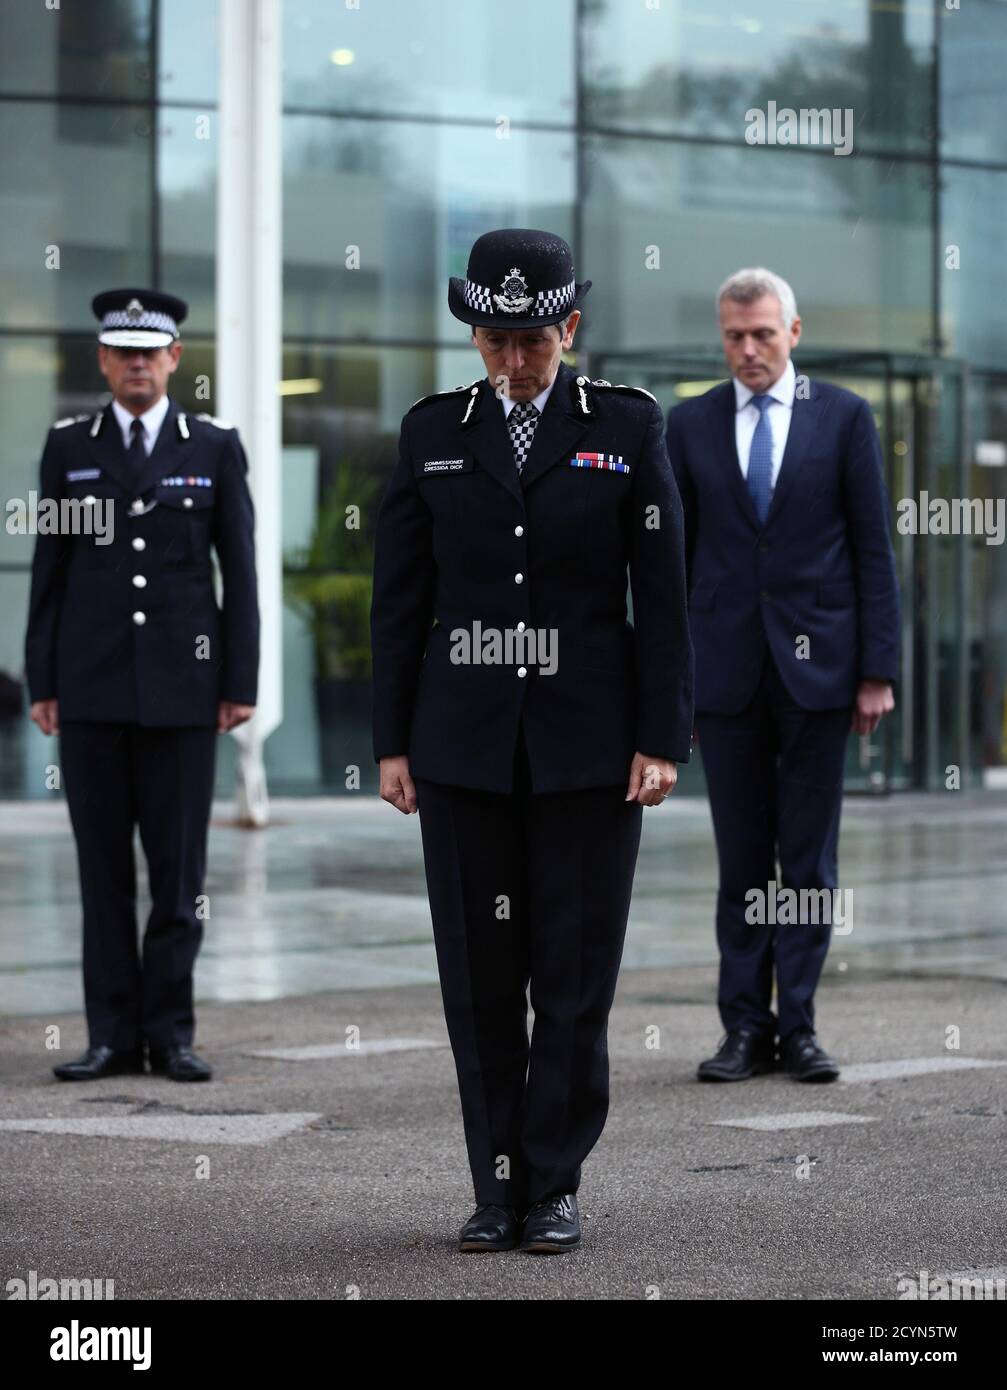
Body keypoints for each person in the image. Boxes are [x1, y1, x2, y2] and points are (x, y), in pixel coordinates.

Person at [370, 229, 693, 1253]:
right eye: (495, 340)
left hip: (587, 749)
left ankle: (551, 1183)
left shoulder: (629, 429)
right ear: (473, 332)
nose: (513, 363)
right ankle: (494, 1183)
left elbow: (664, 597)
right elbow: (397, 603)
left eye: (532, 342)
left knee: (571, 972)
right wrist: (390, 743)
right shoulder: (430, 432)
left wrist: (659, 737)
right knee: (478, 977)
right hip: (461, 748)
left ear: (570, 326)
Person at [666, 267, 900, 1085]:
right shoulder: (687, 425)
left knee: (806, 862)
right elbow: (672, 564)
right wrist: (674, 684)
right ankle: (742, 1028)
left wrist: (877, 670)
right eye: (733, 335)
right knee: (740, 860)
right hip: (725, 675)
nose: (748, 349)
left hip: (820, 674)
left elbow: (873, 549)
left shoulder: (842, 418)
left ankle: (797, 1026)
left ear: (792, 333)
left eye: (763, 333)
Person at [24, 288, 260, 1082]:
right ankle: (112, 1038)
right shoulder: (68, 448)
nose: (135, 364)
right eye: (120, 352)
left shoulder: (214, 446)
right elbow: (48, 573)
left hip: (184, 695)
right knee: (101, 876)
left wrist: (240, 680)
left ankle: (172, 1033)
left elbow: (242, 575)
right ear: (102, 360)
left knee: (179, 877)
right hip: (90, 694)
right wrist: (43, 679)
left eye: (147, 352)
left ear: (173, 360)